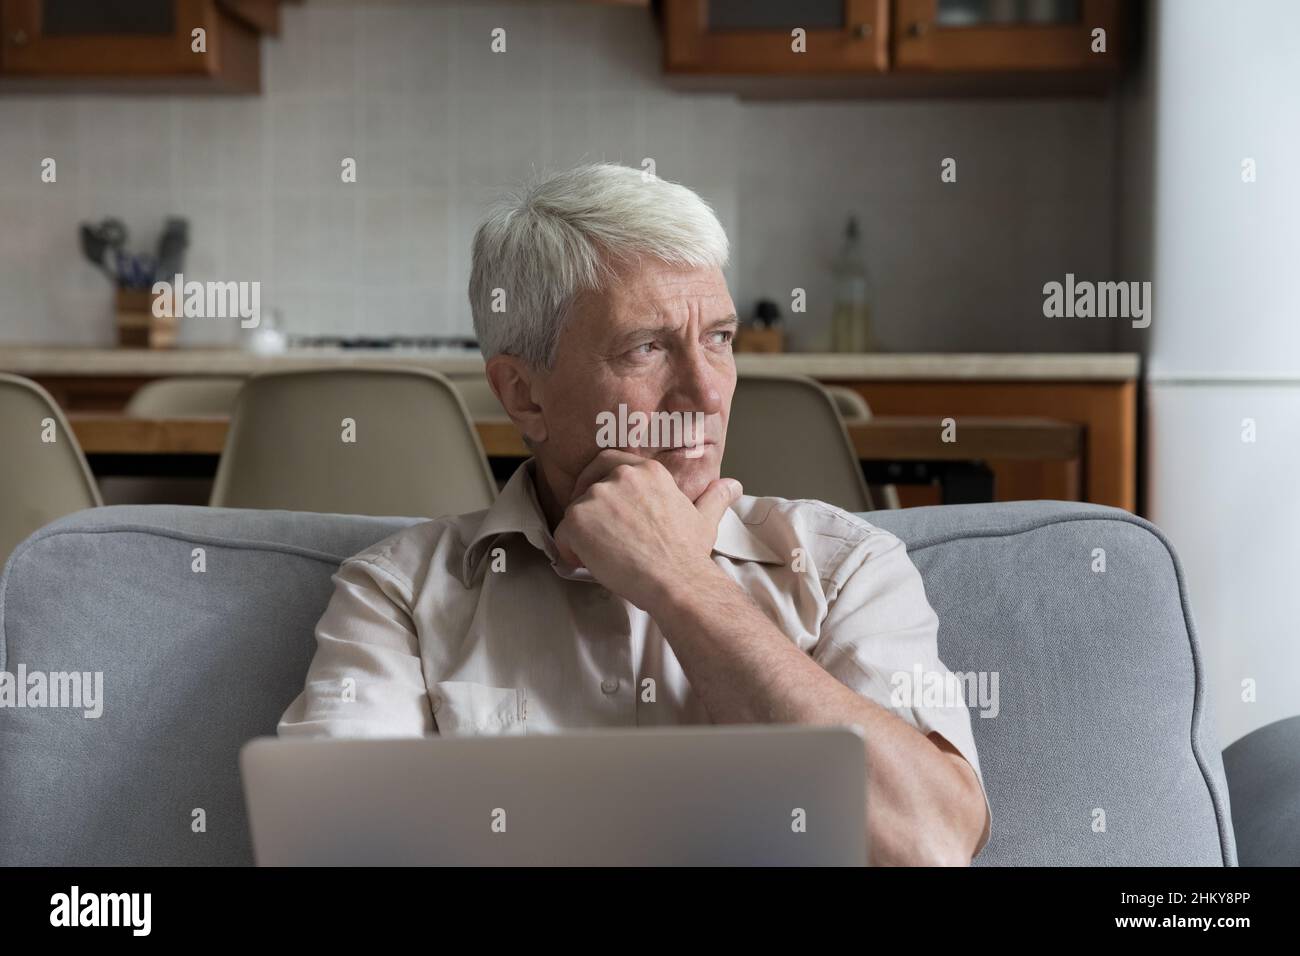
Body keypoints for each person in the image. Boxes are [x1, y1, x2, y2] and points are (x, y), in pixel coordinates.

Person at [278, 162, 992, 865]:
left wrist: (683, 584)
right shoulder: (399, 594)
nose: (708, 395)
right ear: (525, 394)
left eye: (718, 338)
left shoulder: (845, 567)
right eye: (647, 347)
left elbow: (926, 846)